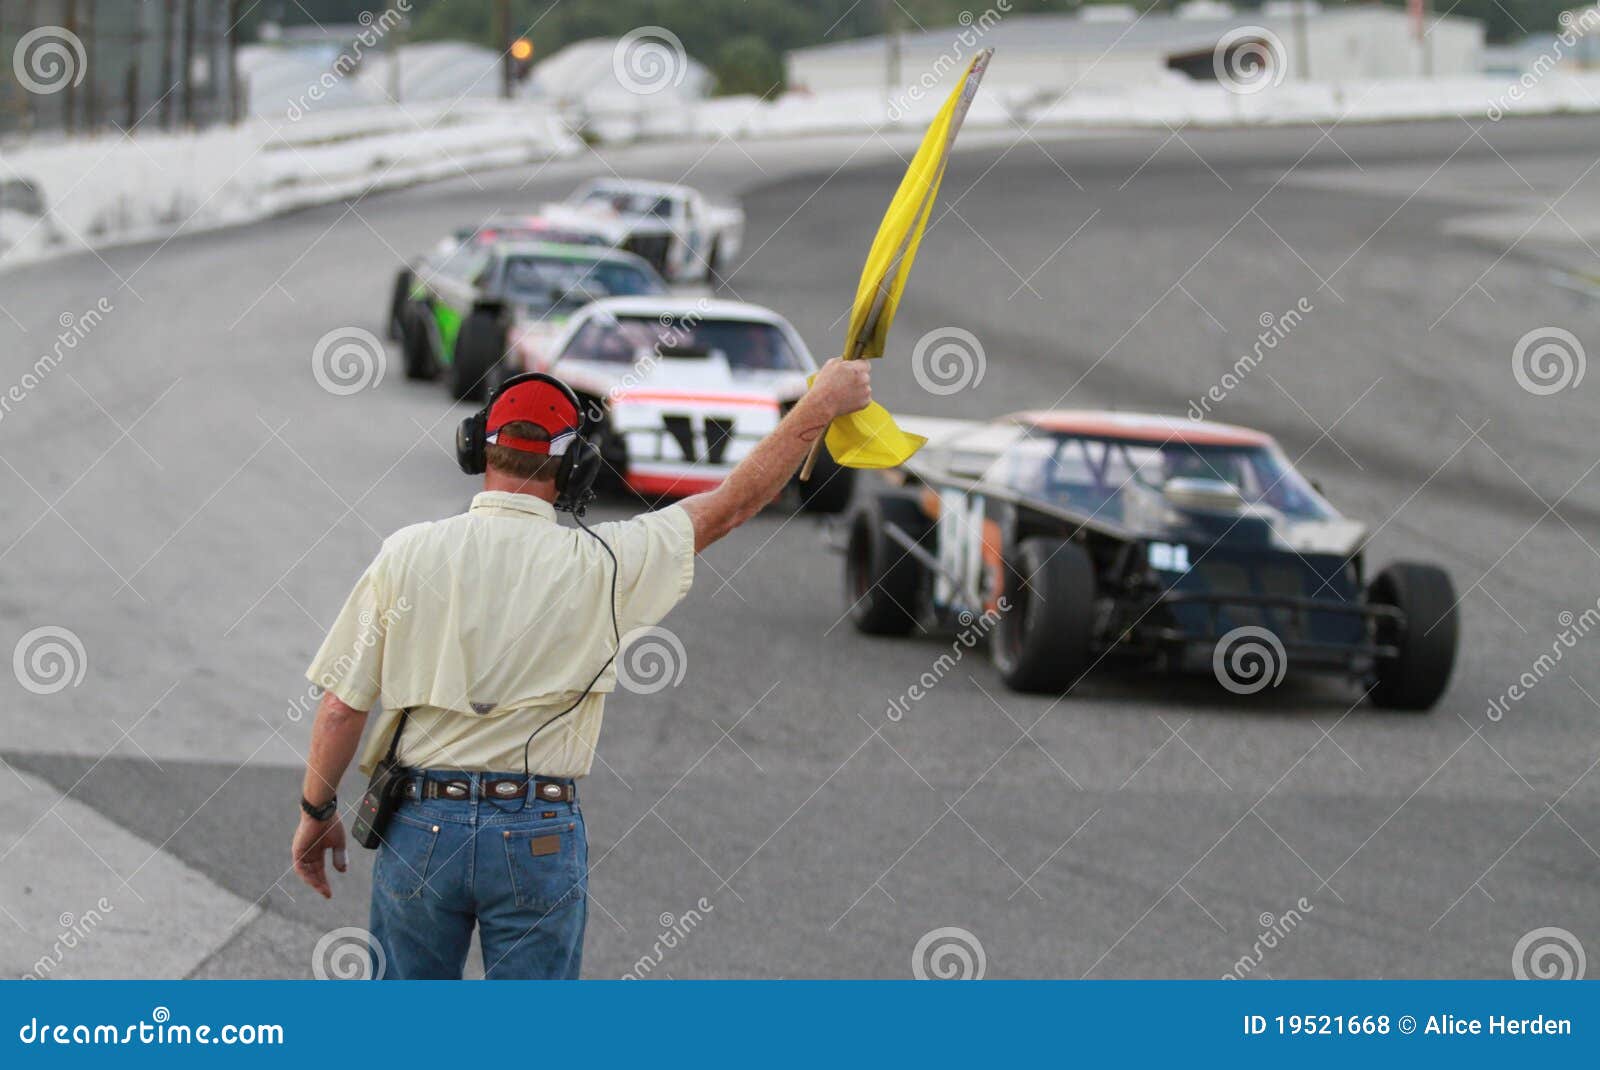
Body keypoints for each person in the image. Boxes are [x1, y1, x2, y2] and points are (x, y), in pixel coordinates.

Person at [289, 358, 872, 979]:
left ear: (475, 447)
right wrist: (818, 407)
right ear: (575, 468)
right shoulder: (605, 561)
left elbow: (340, 707)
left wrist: (316, 812)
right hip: (539, 831)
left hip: (422, 826)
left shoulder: (407, 553)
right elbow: (729, 506)